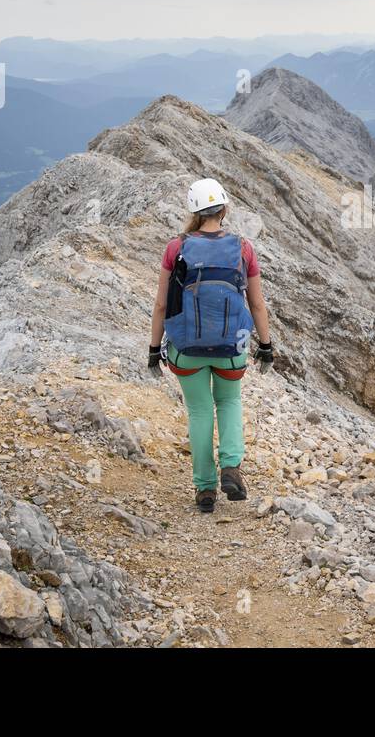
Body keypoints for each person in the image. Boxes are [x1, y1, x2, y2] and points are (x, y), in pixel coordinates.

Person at [148, 178, 274, 512]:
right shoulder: (243, 248)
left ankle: (205, 490)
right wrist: (266, 345)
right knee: (229, 402)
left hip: (186, 348)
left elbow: (161, 305)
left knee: (200, 410)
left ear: (193, 210)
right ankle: (231, 466)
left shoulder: (176, 247)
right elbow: (258, 305)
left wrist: (152, 347)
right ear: (224, 207)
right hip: (232, 347)